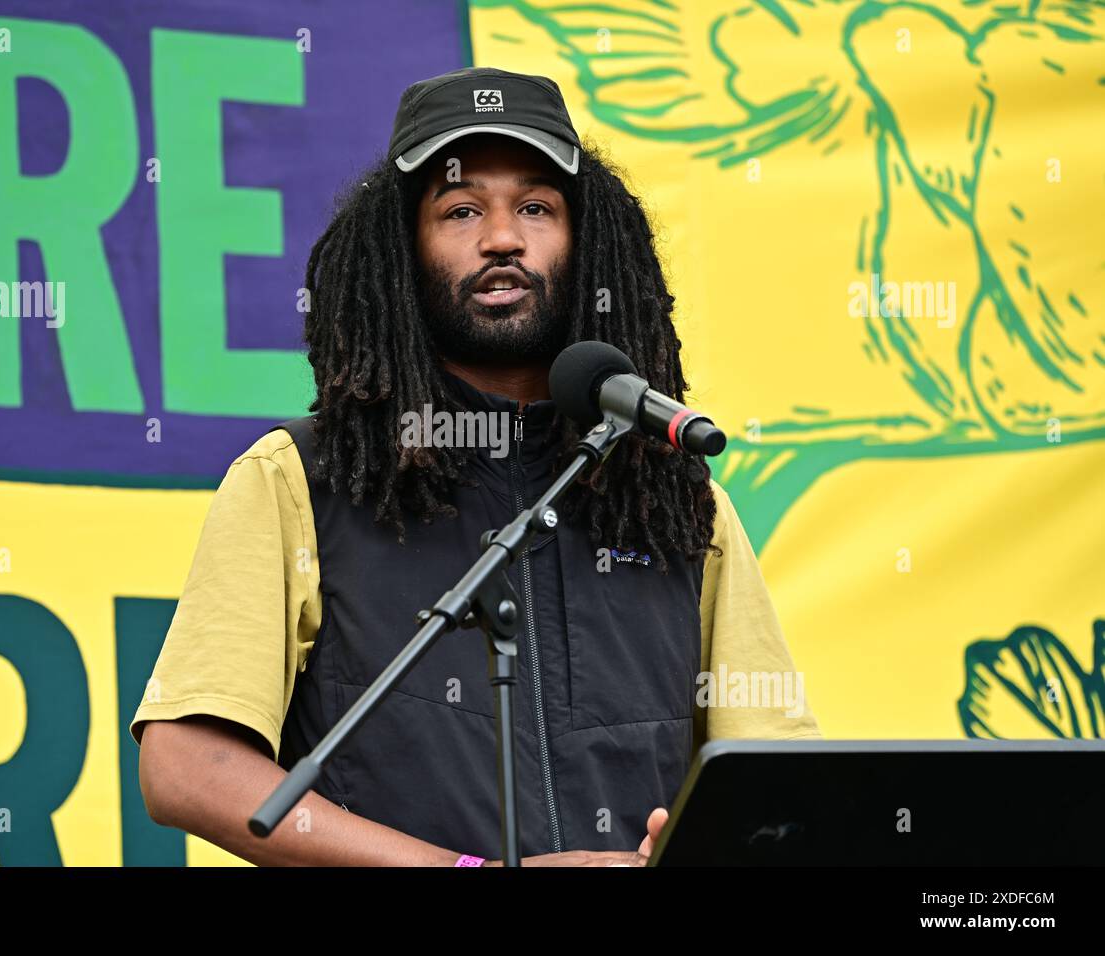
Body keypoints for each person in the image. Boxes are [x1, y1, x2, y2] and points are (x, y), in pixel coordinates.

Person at [133, 66, 819, 867]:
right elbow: (184, 767)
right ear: (402, 253)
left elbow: (775, 783)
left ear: (585, 242)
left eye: (536, 207)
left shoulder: (673, 500)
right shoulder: (298, 479)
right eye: (461, 210)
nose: (502, 237)